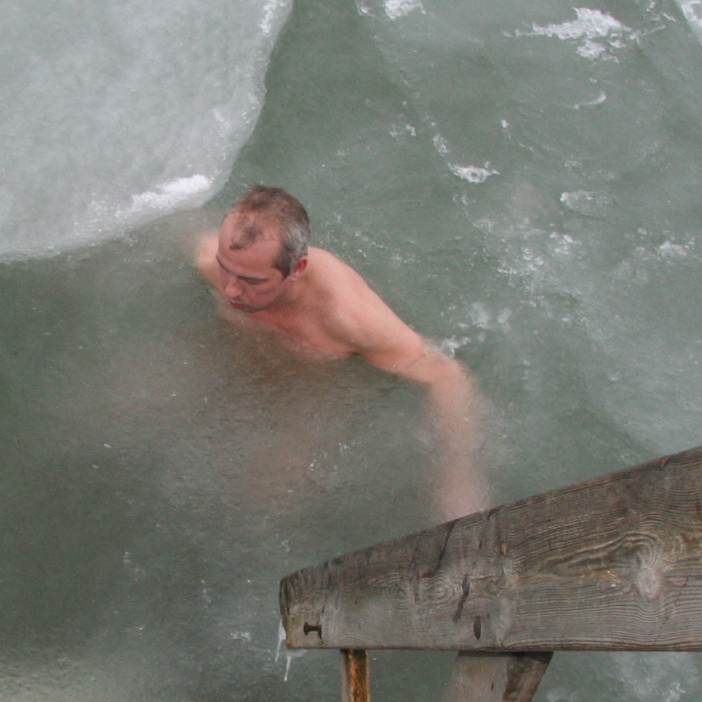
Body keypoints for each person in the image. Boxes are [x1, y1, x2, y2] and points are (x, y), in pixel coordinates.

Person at [196, 185, 489, 520]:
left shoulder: (347, 318)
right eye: (225, 268)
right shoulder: (213, 262)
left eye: (252, 280)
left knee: (263, 503)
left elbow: (446, 375)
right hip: (235, 363)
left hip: (307, 394)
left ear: (297, 269)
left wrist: (456, 473)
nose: (231, 288)